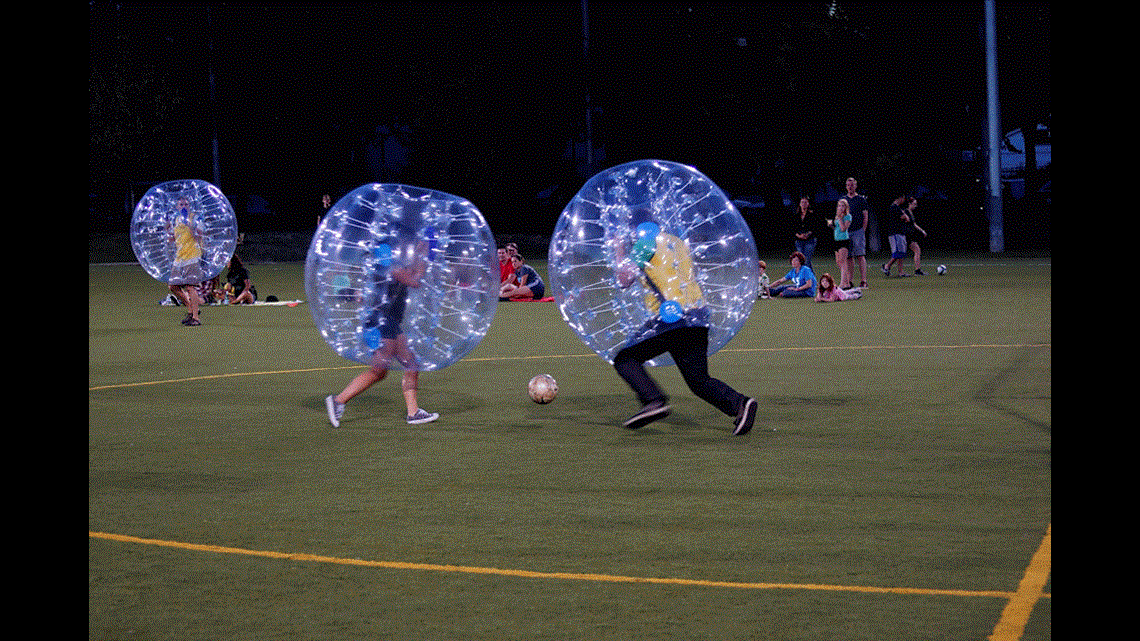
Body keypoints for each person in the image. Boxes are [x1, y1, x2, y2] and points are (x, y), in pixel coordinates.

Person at [610, 211, 757, 436]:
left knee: (625, 358)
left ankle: (654, 401)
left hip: (670, 317)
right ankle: (740, 404)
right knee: (698, 381)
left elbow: (623, 280)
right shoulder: (676, 242)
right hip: (697, 315)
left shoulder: (645, 243)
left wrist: (619, 249)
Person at [325, 237, 440, 427]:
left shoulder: (385, 267)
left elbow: (409, 272)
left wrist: (421, 252)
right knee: (379, 371)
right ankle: (338, 401)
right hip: (382, 323)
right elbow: (414, 280)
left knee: (411, 363)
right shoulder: (391, 268)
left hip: (387, 322)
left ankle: (413, 413)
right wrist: (423, 255)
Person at [167, 196, 205, 326]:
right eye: (181, 204)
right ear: (177, 207)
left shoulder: (195, 218)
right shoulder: (176, 220)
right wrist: (167, 229)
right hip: (180, 257)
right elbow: (173, 238)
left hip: (192, 255)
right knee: (172, 286)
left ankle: (195, 318)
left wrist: (189, 224)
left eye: (186, 204)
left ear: (190, 206)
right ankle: (192, 308)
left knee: (190, 286)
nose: (184, 206)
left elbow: (199, 234)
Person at [842, 177, 871, 289]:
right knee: (849, 257)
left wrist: (863, 230)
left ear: (855, 186)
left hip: (858, 230)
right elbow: (840, 215)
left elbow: (865, 216)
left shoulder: (861, 199)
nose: (850, 187)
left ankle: (863, 280)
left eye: (852, 185)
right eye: (848, 185)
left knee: (860, 255)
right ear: (846, 186)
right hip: (846, 231)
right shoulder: (843, 200)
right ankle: (850, 280)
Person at [791, 196, 825, 270]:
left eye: (805, 202)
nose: (804, 204)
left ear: (808, 204)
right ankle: (809, 278)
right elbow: (793, 228)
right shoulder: (796, 215)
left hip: (810, 240)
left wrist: (807, 234)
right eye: (802, 202)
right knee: (801, 261)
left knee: (806, 259)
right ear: (800, 204)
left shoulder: (812, 215)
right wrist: (799, 235)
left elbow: (815, 227)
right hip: (799, 240)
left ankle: (810, 279)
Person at [882, 194, 912, 277]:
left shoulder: (897, 208)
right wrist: (905, 216)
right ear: (900, 198)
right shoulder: (894, 207)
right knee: (897, 252)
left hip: (900, 232)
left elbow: (906, 218)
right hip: (895, 233)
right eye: (903, 198)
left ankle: (900, 271)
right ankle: (887, 266)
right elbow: (905, 218)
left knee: (901, 253)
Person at [827, 199, 853, 289]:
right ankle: (847, 282)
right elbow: (837, 228)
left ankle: (843, 283)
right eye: (839, 206)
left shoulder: (847, 216)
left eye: (843, 206)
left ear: (846, 207)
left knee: (843, 261)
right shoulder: (837, 216)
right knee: (838, 262)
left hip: (843, 241)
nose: (841, 208)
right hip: (836, 240)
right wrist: (831, 225)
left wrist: (841, 219)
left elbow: (843, 229)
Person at [904, 197, 928, 276]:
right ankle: (917, 271)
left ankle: (917, 270)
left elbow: (914, 224)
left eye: (916, 204)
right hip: (906, 235)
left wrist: (922, 231)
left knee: (916, 250)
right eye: (914, 204)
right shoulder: (906, 212)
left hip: (910, 235)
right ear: (909, 204)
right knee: (917, 250)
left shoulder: (910, 213)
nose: (915, 206)